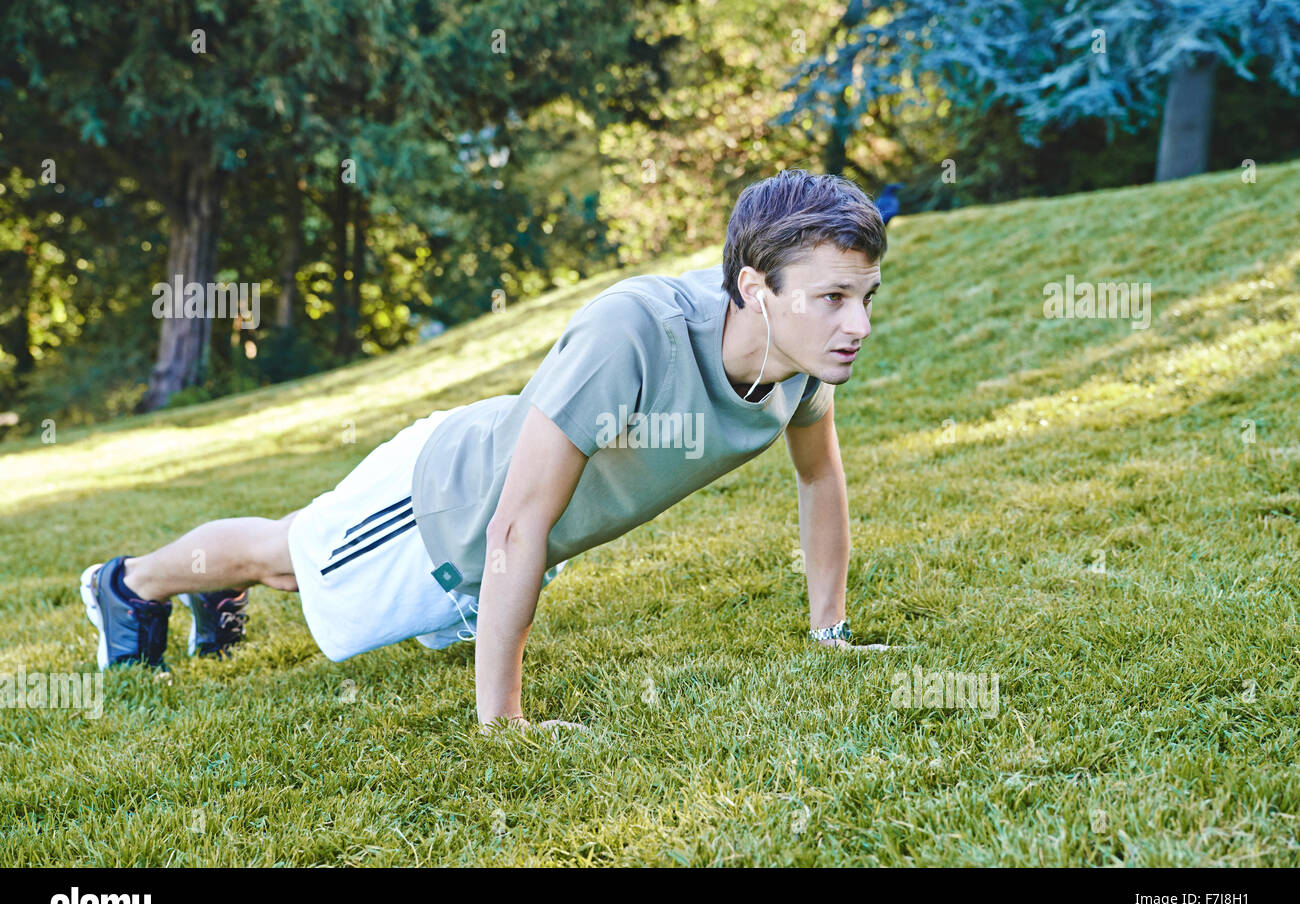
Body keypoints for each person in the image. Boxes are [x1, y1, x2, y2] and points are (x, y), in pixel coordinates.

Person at [79, 168, 887, 732]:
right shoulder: (636, 330)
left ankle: (203, 598)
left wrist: (830, 633)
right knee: (286, 557)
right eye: (833, 299)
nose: (858, 326)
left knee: (292, 549)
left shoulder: (797, 364)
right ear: (756, 288)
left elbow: (822, 485)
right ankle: (130, 585)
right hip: (447, 498)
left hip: (505, 511)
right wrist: (504, 721)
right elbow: (512, 527)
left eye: (865, 298)